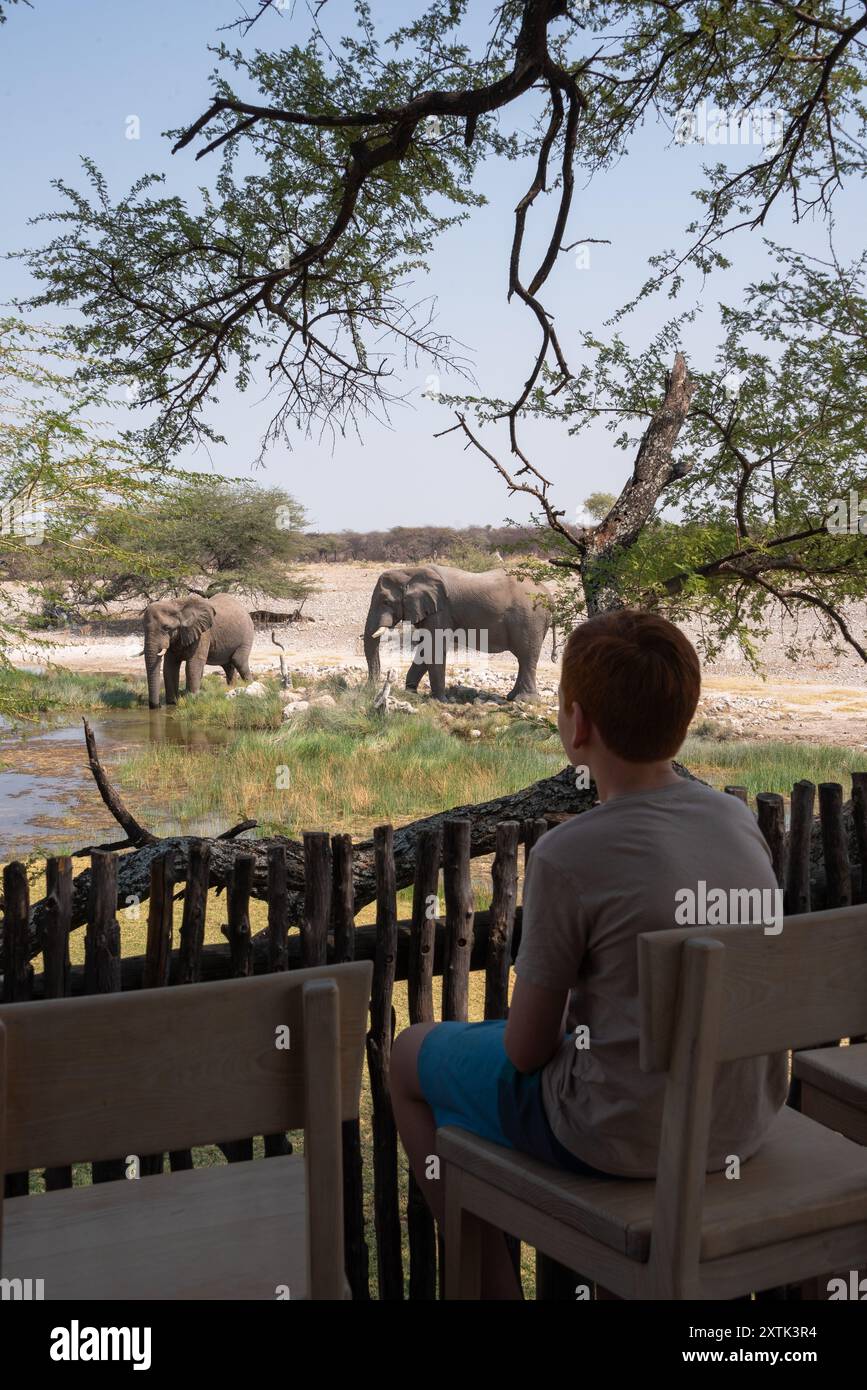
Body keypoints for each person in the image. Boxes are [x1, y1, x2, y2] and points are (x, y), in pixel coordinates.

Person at [390, 609, 788, 1299]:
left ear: (577, 727)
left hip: (614, 1139)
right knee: (467, 1104)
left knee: (407, 1057)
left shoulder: (569, 853)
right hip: (741, 1122)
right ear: (683, 717)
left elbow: (522, 1053)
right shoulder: (736, 820)